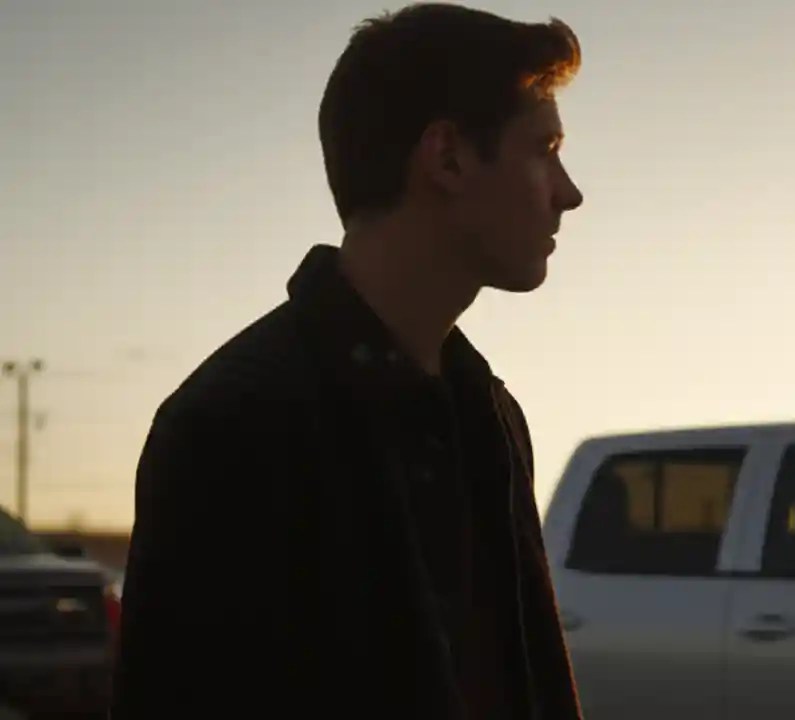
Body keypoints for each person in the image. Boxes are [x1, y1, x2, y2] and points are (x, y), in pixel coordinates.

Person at [111, 3, 586, 718]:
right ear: (448, 156)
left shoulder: (488, 412)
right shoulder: (234, 423)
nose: (569, 193)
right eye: (544, 150)